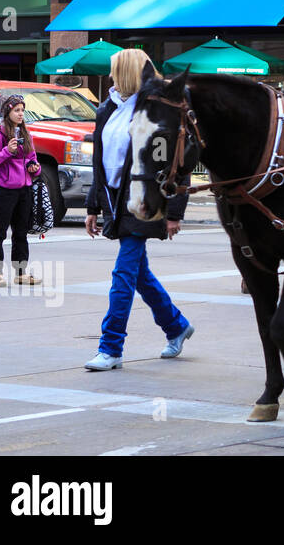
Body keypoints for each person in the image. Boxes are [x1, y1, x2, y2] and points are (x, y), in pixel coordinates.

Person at [83, 49, 194, 371]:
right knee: (138, 273)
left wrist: (174, 212)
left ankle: (111, 347)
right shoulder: (107, 109)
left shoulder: (155, 109)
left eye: (115, 70)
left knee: (123, 272)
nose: (109, 77)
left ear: (129, 73)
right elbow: (99, 160)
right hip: (114, 198)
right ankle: (176, 326)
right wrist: (92, 205)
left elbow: (180, 163)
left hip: (145, 199)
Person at [0, 94, 42, 287]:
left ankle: (20, 273)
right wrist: (7, 151)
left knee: (21, 233)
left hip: (24, 190)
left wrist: (34, 168)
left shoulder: (25, 134)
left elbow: (33, 159)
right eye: (16, 110)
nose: (20, 114)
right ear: (7, 112)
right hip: (4, 190)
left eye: (22, 110)